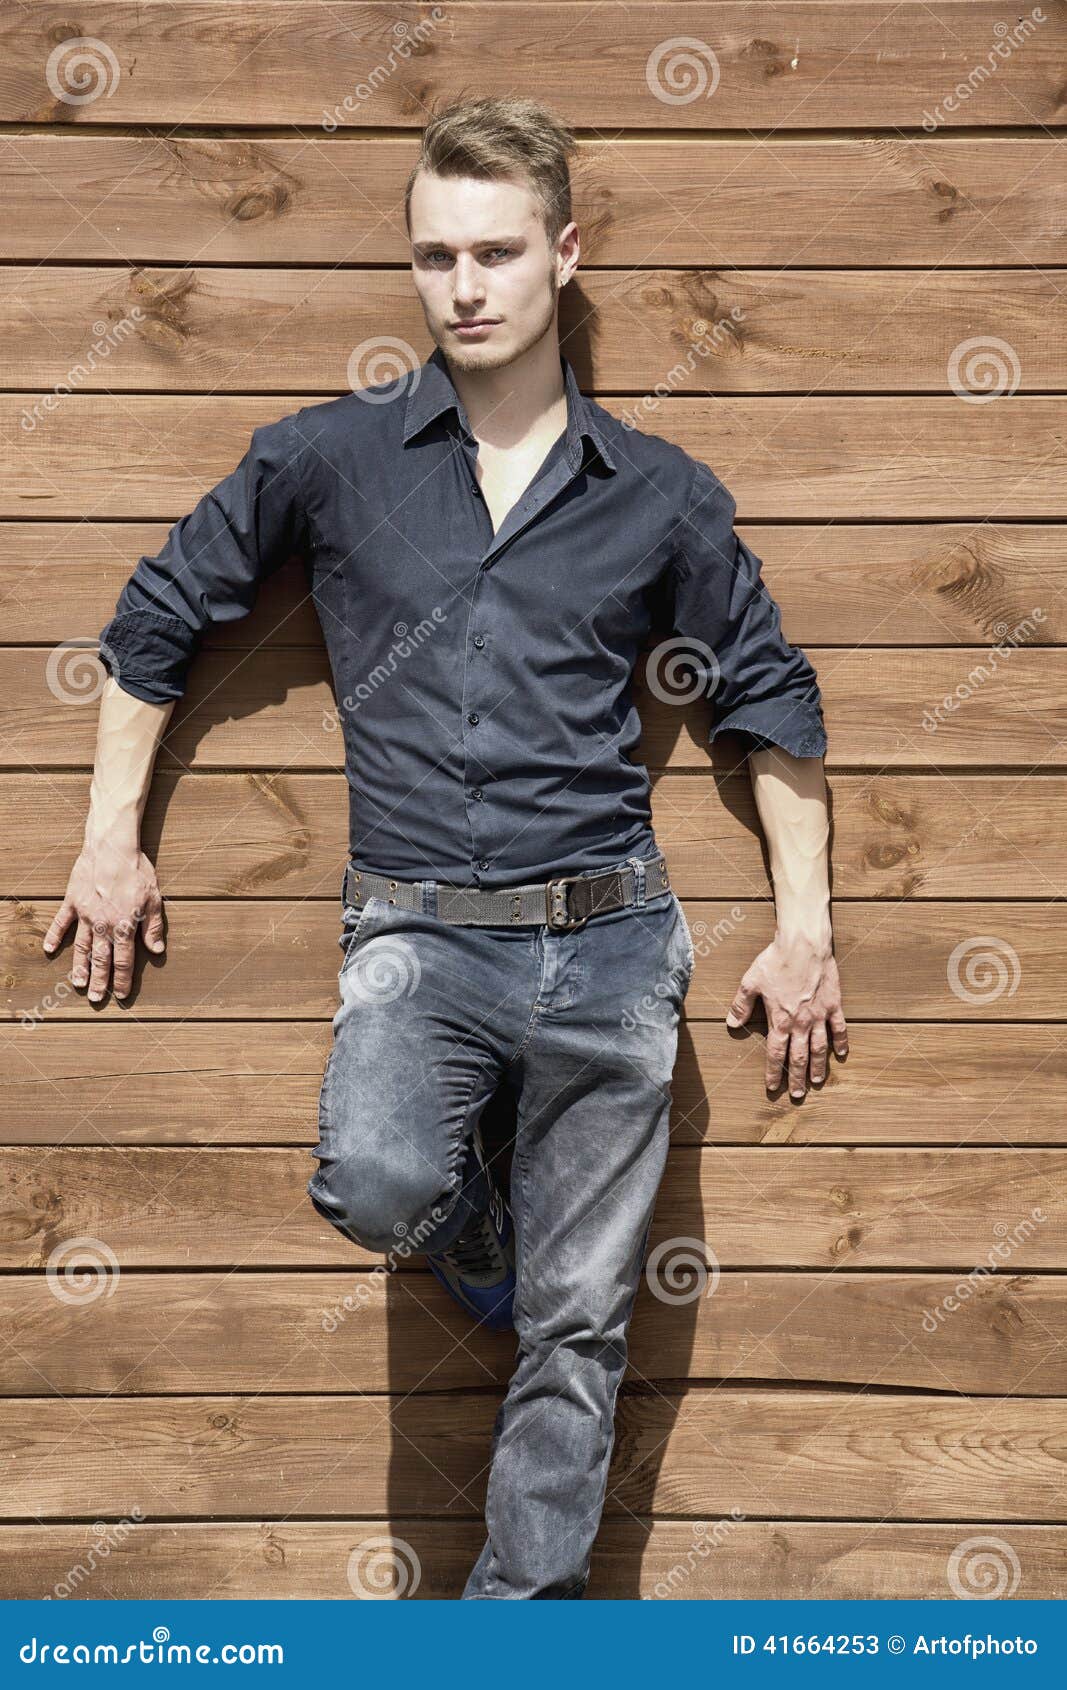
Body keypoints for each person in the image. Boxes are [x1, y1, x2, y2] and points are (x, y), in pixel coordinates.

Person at [46, 94, 847, 1599]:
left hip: (613, 949)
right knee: (378, 1181)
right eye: (433, 258)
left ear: (564, 253)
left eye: (493, 252)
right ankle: (481, 1228)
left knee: (582, 1325)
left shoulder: (660, 494)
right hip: (418, 937)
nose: (463, 287)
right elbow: (158, 620)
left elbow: (772, 697)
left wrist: (805, 929)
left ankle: (510, 1635)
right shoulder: (332, 461)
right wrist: (111, 845)